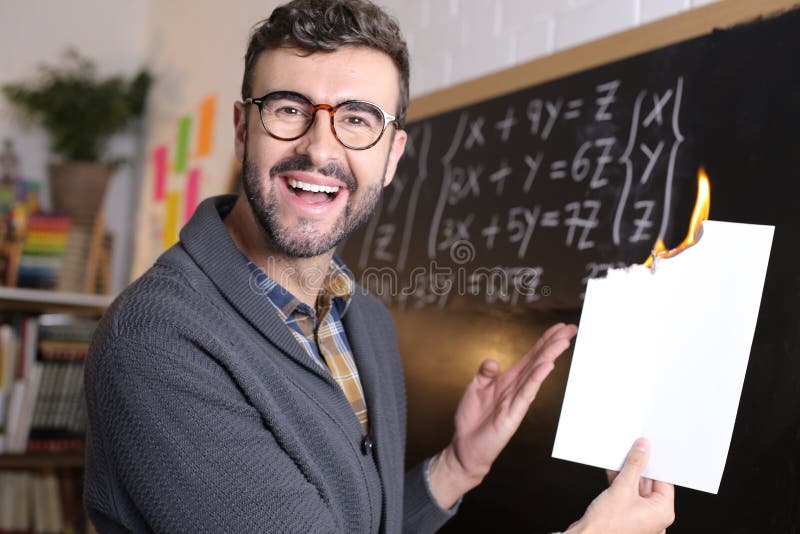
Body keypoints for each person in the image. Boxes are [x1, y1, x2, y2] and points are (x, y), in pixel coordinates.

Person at [83, 1, 674, 532]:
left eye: (358, 119)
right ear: (243, 131)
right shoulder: (159, 338)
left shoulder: (362, 319)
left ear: (392, 157)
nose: (320, 148)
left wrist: (455, 468)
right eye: (289, 109)